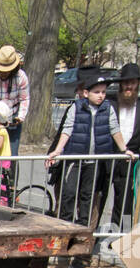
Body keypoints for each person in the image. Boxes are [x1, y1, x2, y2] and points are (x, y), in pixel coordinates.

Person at [46, 67, 136, 237]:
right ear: (86, 93)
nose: (101, 95)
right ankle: (64, 234)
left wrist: (124, 149)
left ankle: (85, 237)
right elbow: (67, 130)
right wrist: (57, 151)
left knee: (90, 199)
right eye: (97, 92)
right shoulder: (76, 107)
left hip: (98, 162)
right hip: (75, 160)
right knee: (69, 196)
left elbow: (114, 129)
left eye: (103, 92)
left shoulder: (108, 108)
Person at [106, 63, 140, 233]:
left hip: (130, 160)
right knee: (99, 198)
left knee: (125, 200)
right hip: (108, 158)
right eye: (126, 82)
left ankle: (121, 235)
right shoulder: (109, 103)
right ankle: (92, 235)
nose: (129, 86)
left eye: (132, 82)